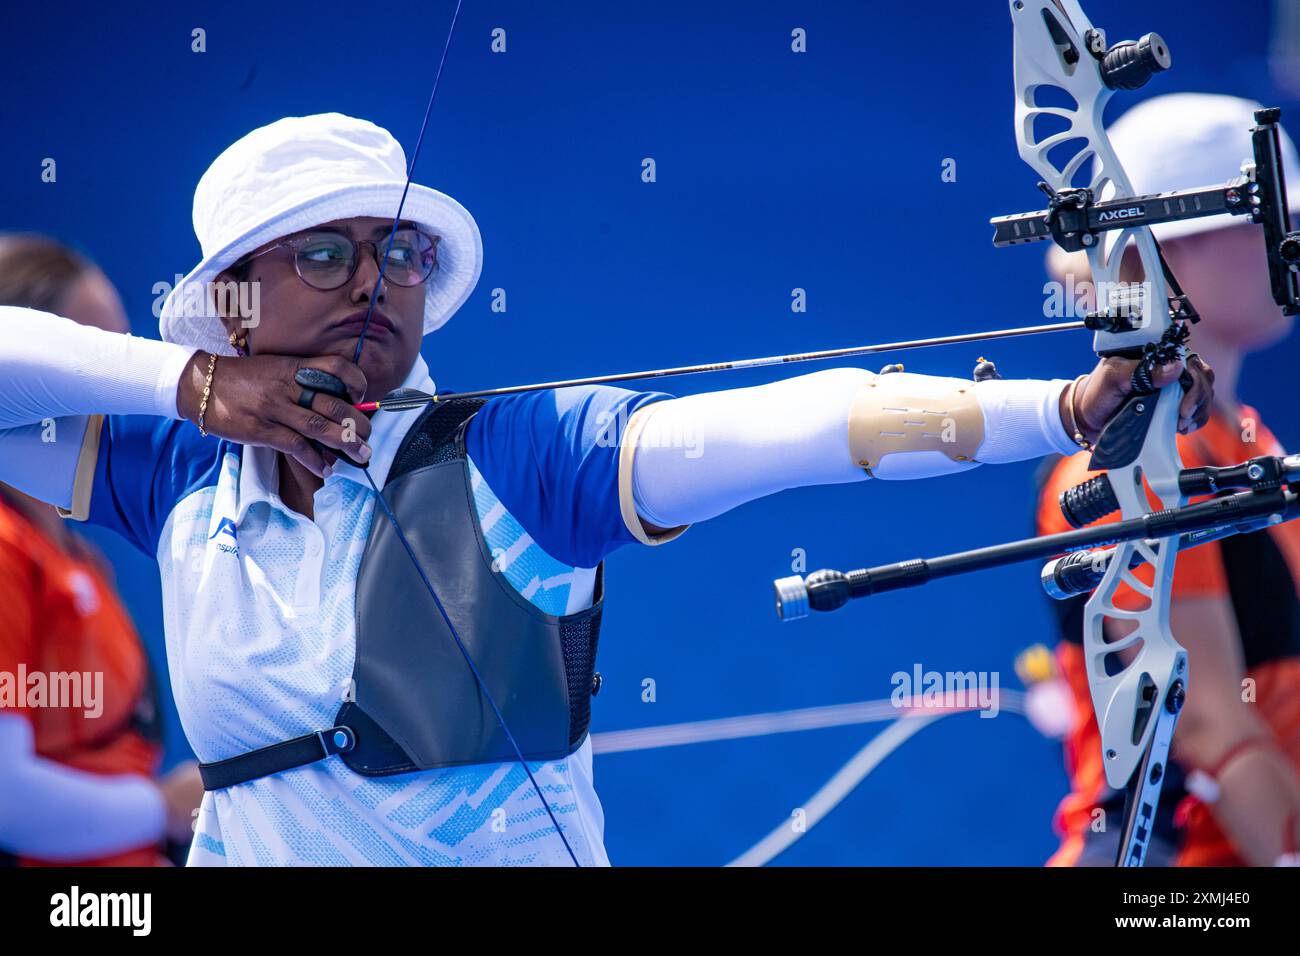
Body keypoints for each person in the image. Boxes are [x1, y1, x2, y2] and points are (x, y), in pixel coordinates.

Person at [0, 113, 1213, 866]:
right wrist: (197, 385)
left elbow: (798, 424)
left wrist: (1057, 409)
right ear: (235, 296)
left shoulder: (519, 458)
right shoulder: (172, 471)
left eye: (402, 253)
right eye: (325, 252)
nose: (375, 280)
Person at [1035, 94, 1300, 867]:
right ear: (1156, 253)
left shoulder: (1246, 440)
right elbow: (1211, 722)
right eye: (1265, 218)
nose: (1292, 241)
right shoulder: (1135, 462)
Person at [0, 235, 203, 866]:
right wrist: (164, 807)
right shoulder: (7, 550)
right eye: (93, 353)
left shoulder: (74, 555)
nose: (127, 379)